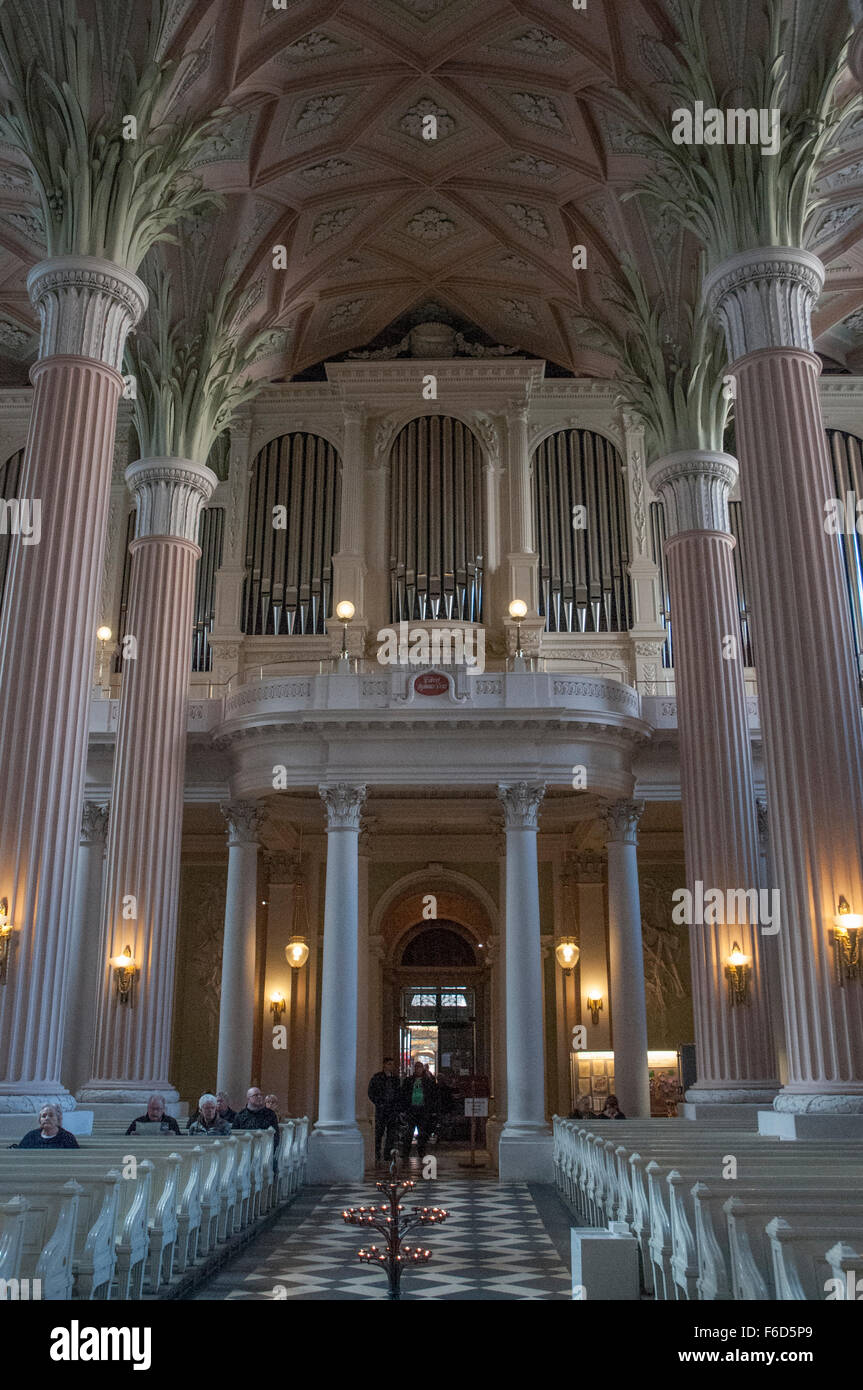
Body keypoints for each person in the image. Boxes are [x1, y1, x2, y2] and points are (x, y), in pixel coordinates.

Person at [234, 1087, 281, 1171]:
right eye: (256, 1095)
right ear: (248, 1098)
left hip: (264, 1152)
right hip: (243, 1153)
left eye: (261, 1095)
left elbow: (276, 1136)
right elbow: (234, 1135)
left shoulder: (270, 1114)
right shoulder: (240, 1116)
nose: (260, 1097)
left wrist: (268, 1152)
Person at [400, 1061, 438, 1162]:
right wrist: (404, 1108)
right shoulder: (408, 1081)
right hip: (411, 1109)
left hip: (423, 1109)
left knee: (422, 1132)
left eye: (420, 1068)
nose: (418, 1069)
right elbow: (404, 1094)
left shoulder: (428, 1081)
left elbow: (432, 1095)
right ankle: (406, 1153)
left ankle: (421, 1151)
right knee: (409, 1132)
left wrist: (431, 1109)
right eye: (416, 1068)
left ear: (422, 1069)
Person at [368, 1058, 400, 1167]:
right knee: (379, 1132)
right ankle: (377, 1152)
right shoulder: (377, 1078)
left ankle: (387, 1154)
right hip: (382, 1109)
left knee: (391, 1132)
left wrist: (396, 1105)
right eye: (389, 1064)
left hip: (392, 1109)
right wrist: (378, 1102)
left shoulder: (395, 1079)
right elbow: (371, 1092)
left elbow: (398, 1093)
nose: (391, 1066)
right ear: (384, 1065)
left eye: (392, 1064)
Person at [11, 1103, 79, 1149]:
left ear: (58, 1119)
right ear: (40, 1120)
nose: (47, 1118)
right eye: (43, 1116)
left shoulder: (67, 1138)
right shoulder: (31, 1137)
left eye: (51, 1115)